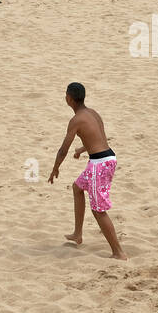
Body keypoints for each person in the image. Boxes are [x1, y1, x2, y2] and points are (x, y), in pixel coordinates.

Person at [48, 82, 125, 260]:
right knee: (77, 188)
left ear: (69, 99)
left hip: (100, 164)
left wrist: (55, 169)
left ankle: (118, 252)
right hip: (104, 158)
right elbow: (98, 137)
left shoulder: (76, 120)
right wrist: (82, 150)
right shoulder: (93, 113)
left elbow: (62, 149)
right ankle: (77, 234)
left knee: (98, 210)